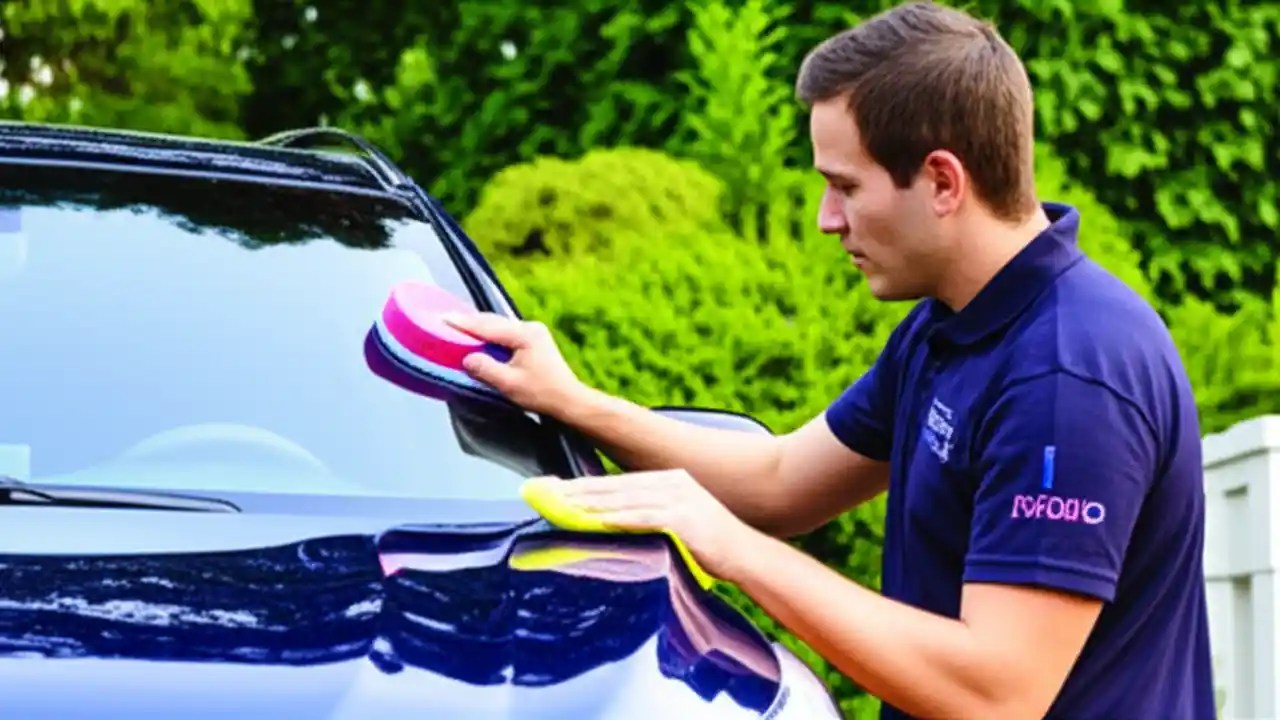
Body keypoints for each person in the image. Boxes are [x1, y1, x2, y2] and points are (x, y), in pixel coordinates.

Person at [444, 2, 1216, 718]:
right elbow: (783, 483)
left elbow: (996, 694)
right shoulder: (947, 326)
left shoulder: (1068, 377)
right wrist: (574, 401)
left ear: (943, 181)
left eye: (844, 186)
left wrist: (729, 547)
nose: (825, 219)